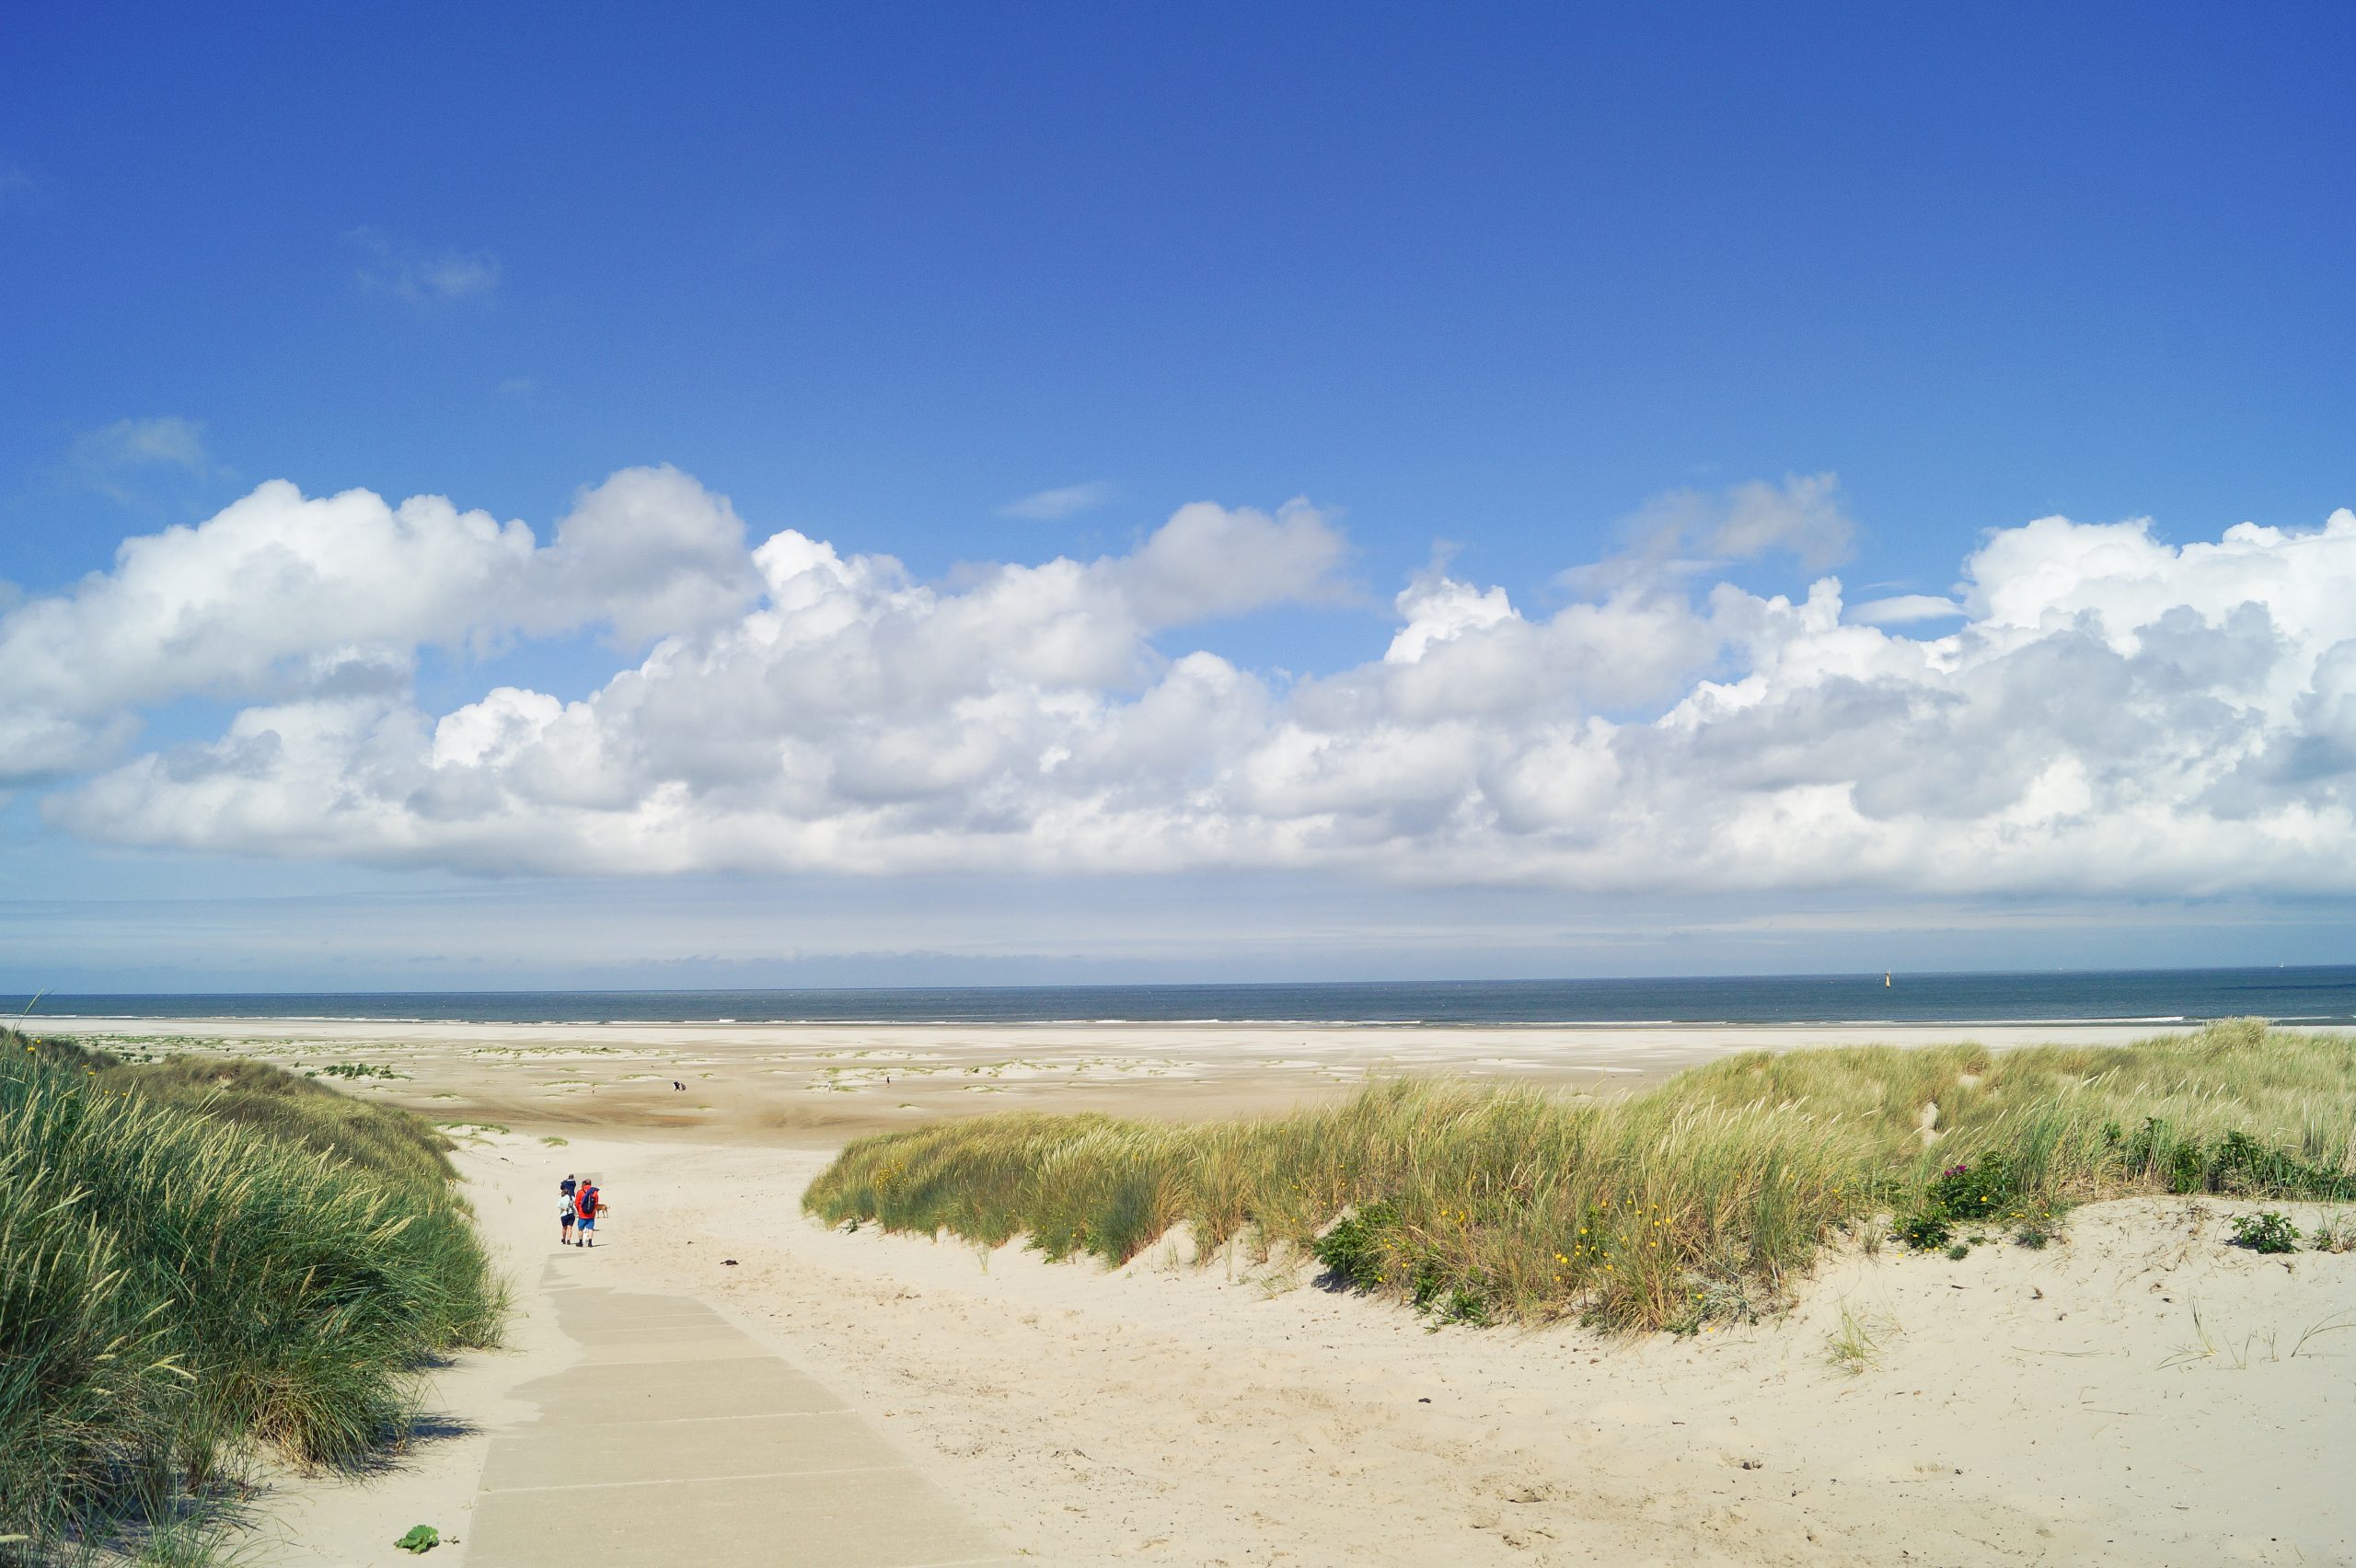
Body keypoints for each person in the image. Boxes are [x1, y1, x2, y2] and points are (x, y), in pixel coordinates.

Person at [574, 1178, 600, 1247]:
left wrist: (579, 1210)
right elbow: (596, 1203)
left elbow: (576, 1203)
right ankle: (590, 1243)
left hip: (582, 1214)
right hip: (591, 1214)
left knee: (580, 1228)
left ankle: (580, 1242)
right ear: (591, 1184)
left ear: (584, 1183)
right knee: (590, 1228)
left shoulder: (580, 1192)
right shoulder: (594, 1192)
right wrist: (593, 1211)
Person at [559, 1174, 577, 1245]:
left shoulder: (565, 1183)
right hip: (572, 1196)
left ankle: (563, 1238)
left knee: (564, 1227)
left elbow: (561, 1187)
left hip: (564, 1213)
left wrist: (564, 1181)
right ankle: (568, 1239)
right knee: (570, 1227)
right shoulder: (574, 1183)